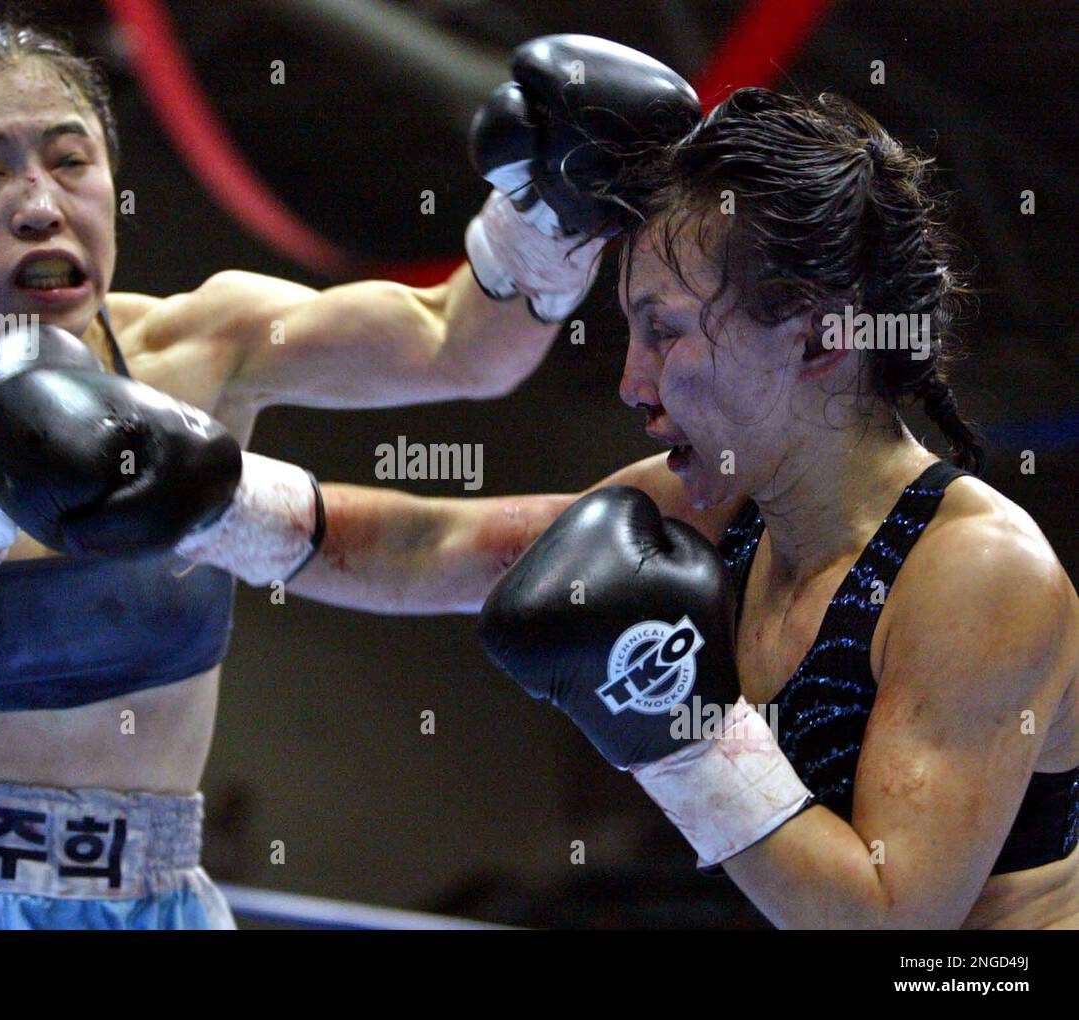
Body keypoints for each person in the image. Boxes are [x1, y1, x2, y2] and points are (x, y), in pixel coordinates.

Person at [0, 17, 696, 929]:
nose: (40, 205)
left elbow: (459, 344)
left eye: (71, 160)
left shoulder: (203, 342)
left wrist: (547, 209)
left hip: (148, 903)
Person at [269, 88, 1078, 929]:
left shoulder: (978, 577)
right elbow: (434, 548)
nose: (630, 384)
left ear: (820, 339)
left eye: (665, 332)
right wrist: (214, 501)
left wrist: (677, 735)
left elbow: (888, 926)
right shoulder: (712, 503)